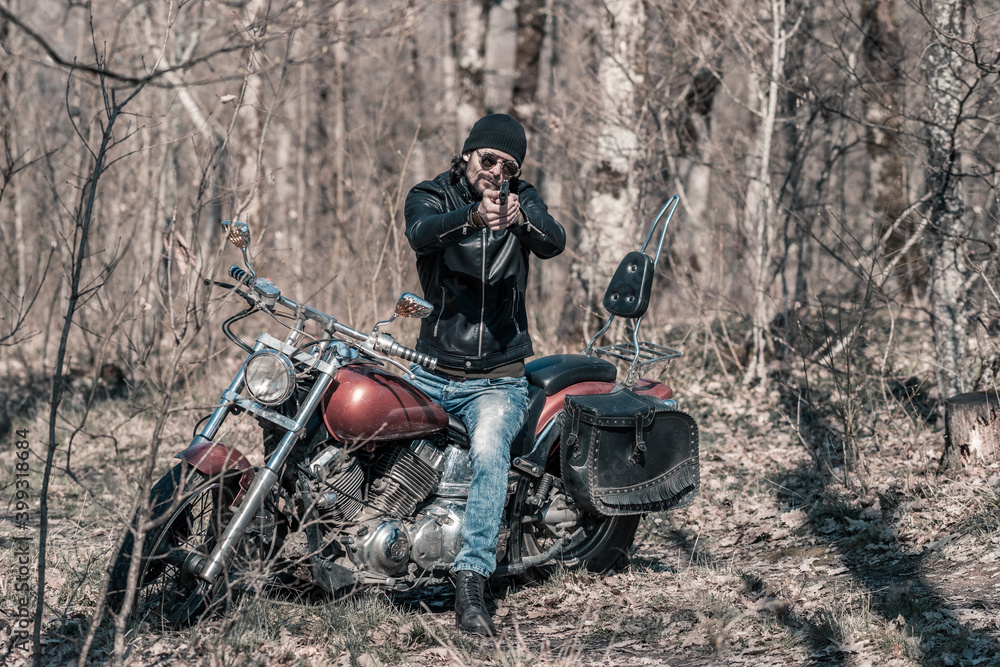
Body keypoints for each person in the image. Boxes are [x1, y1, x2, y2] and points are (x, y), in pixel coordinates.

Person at [403, 113, 566, 636]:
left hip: (497, 377)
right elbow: (421, 234)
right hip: (432, 368)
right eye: (489, 159)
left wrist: (520, 220)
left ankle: (471, 580)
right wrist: (472, 218)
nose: (496, 171)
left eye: (508, 166)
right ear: (468, 153)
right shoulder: (432, 194)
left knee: (491, 450)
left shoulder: (524, 199)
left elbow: (554, 241)